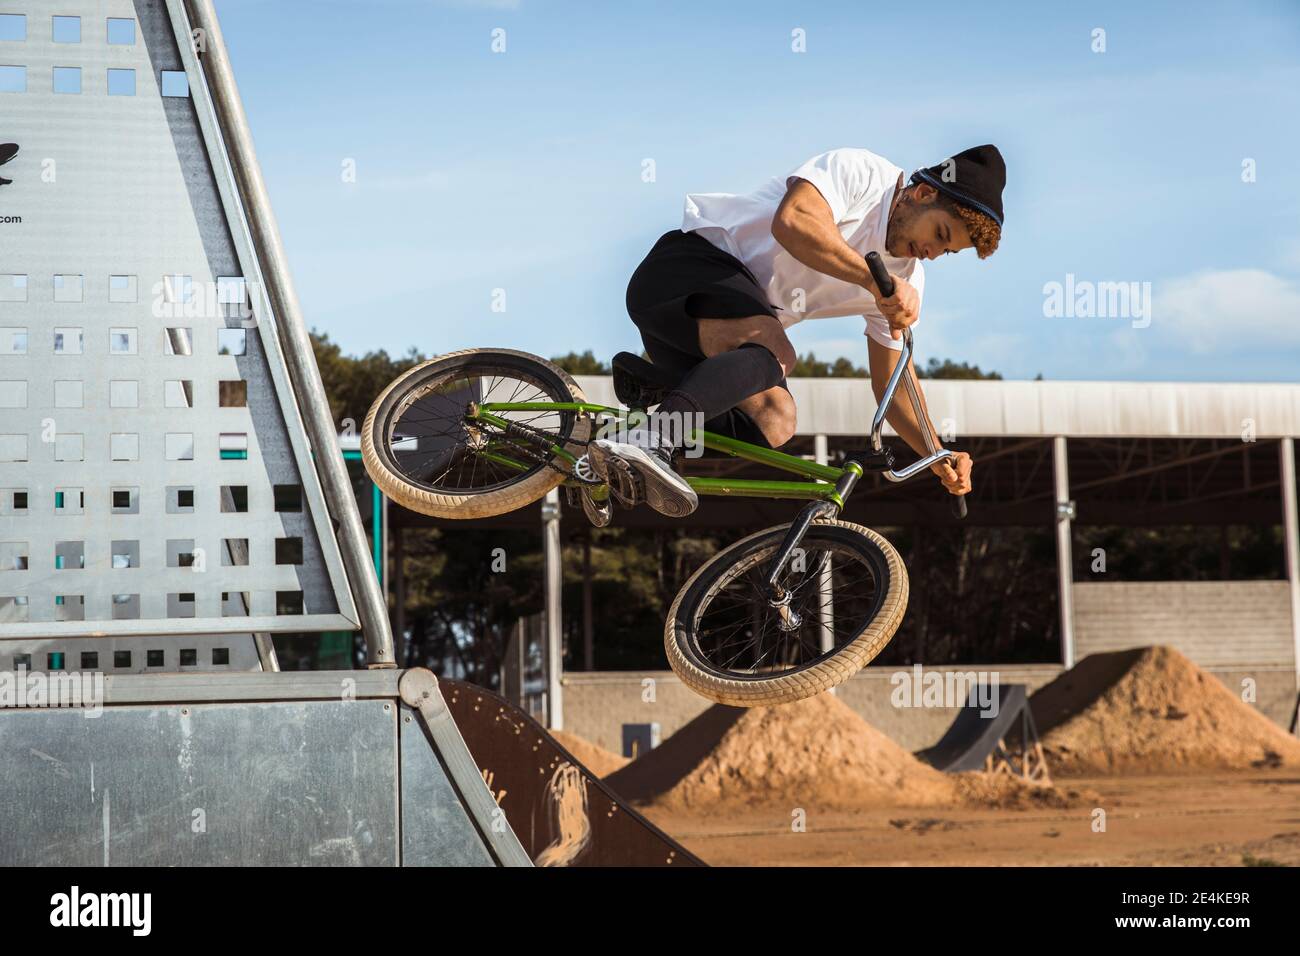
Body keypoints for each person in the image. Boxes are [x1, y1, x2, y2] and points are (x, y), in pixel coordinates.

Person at [589, 144, 1004, 517]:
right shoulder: (864, 174)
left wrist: (935, 454)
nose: (931, 253)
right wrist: (873, 281)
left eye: (947, 251)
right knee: (779, 353)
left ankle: (629, 424)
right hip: (683, 271)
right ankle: (653, 437)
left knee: (776, 420)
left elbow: (893, 387)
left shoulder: (907, 280)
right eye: (939, 234)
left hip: (698, 346)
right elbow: (792, 222)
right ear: (924, 193)